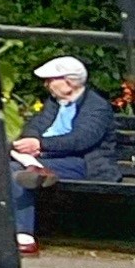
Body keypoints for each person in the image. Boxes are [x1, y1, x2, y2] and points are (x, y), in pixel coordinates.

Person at [10, 57, 122, 252]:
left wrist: (41, 144)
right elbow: (35, 126)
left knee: (15, 170)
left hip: (83, 162)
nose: (46, 85)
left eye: (51, 79)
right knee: (10, 166)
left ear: (69, 81)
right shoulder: (54, 103)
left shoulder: (97, 106)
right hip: (45, 157)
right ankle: (24, 232)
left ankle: (24, 233)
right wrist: (31, 142)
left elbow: (81, 140)